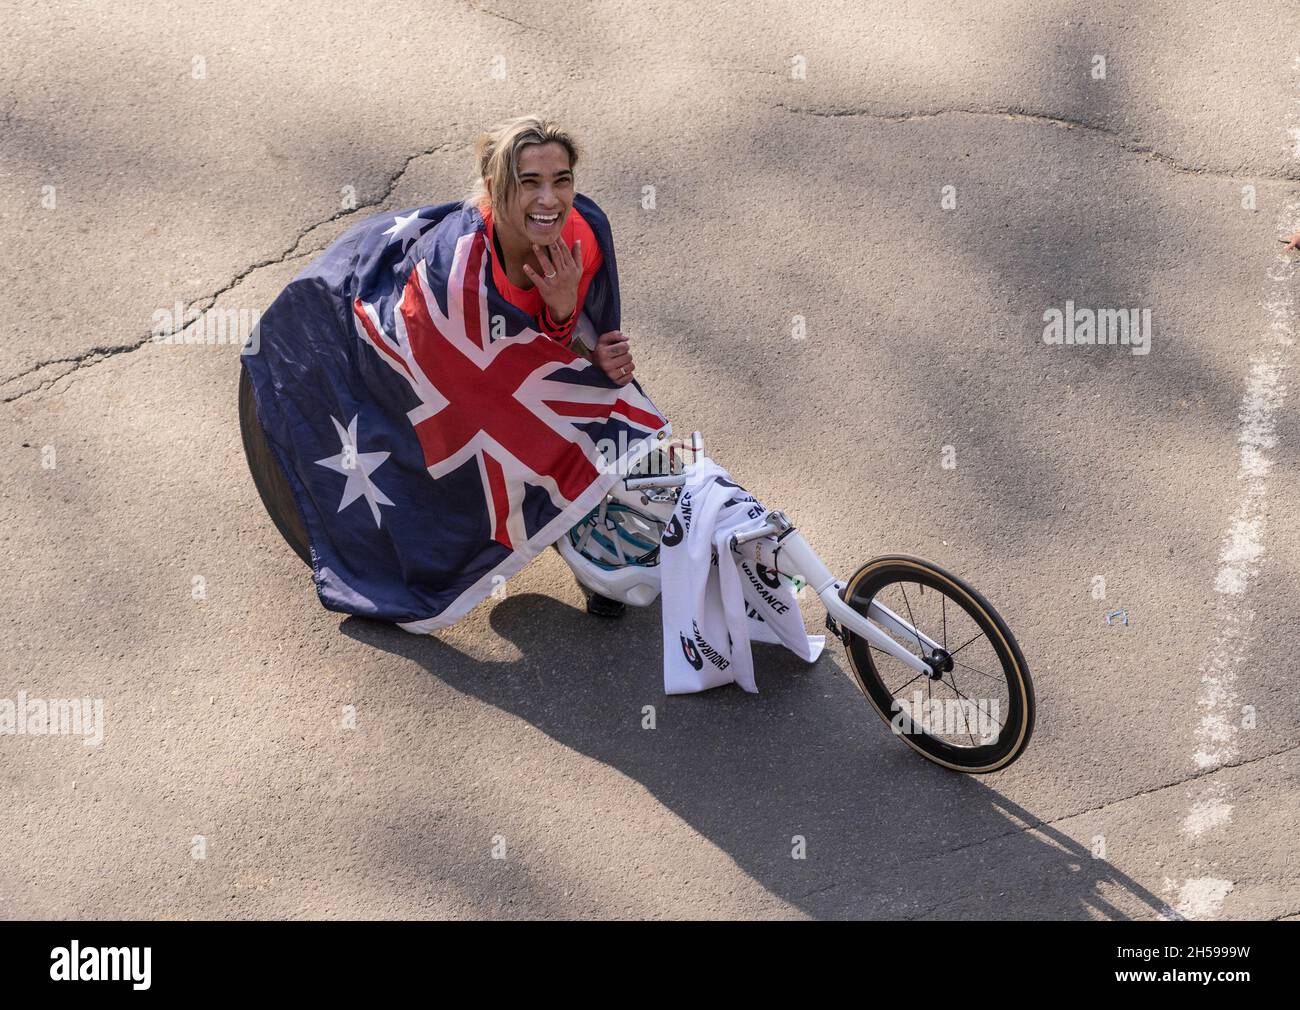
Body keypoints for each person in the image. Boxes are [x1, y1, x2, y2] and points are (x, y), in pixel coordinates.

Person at [467, 116, 634, 618]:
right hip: (477, 385)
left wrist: (591, 347)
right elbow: (488, 376)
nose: (550, 200)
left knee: (622, 424)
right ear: (496, 188)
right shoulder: (467, 262)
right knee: (526, 447)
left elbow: (591, 334)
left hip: (548, 357)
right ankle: (569, 530)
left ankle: (597, 537)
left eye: (562, 181)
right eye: (529, 182)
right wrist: (558, 317)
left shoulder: (585, 232)